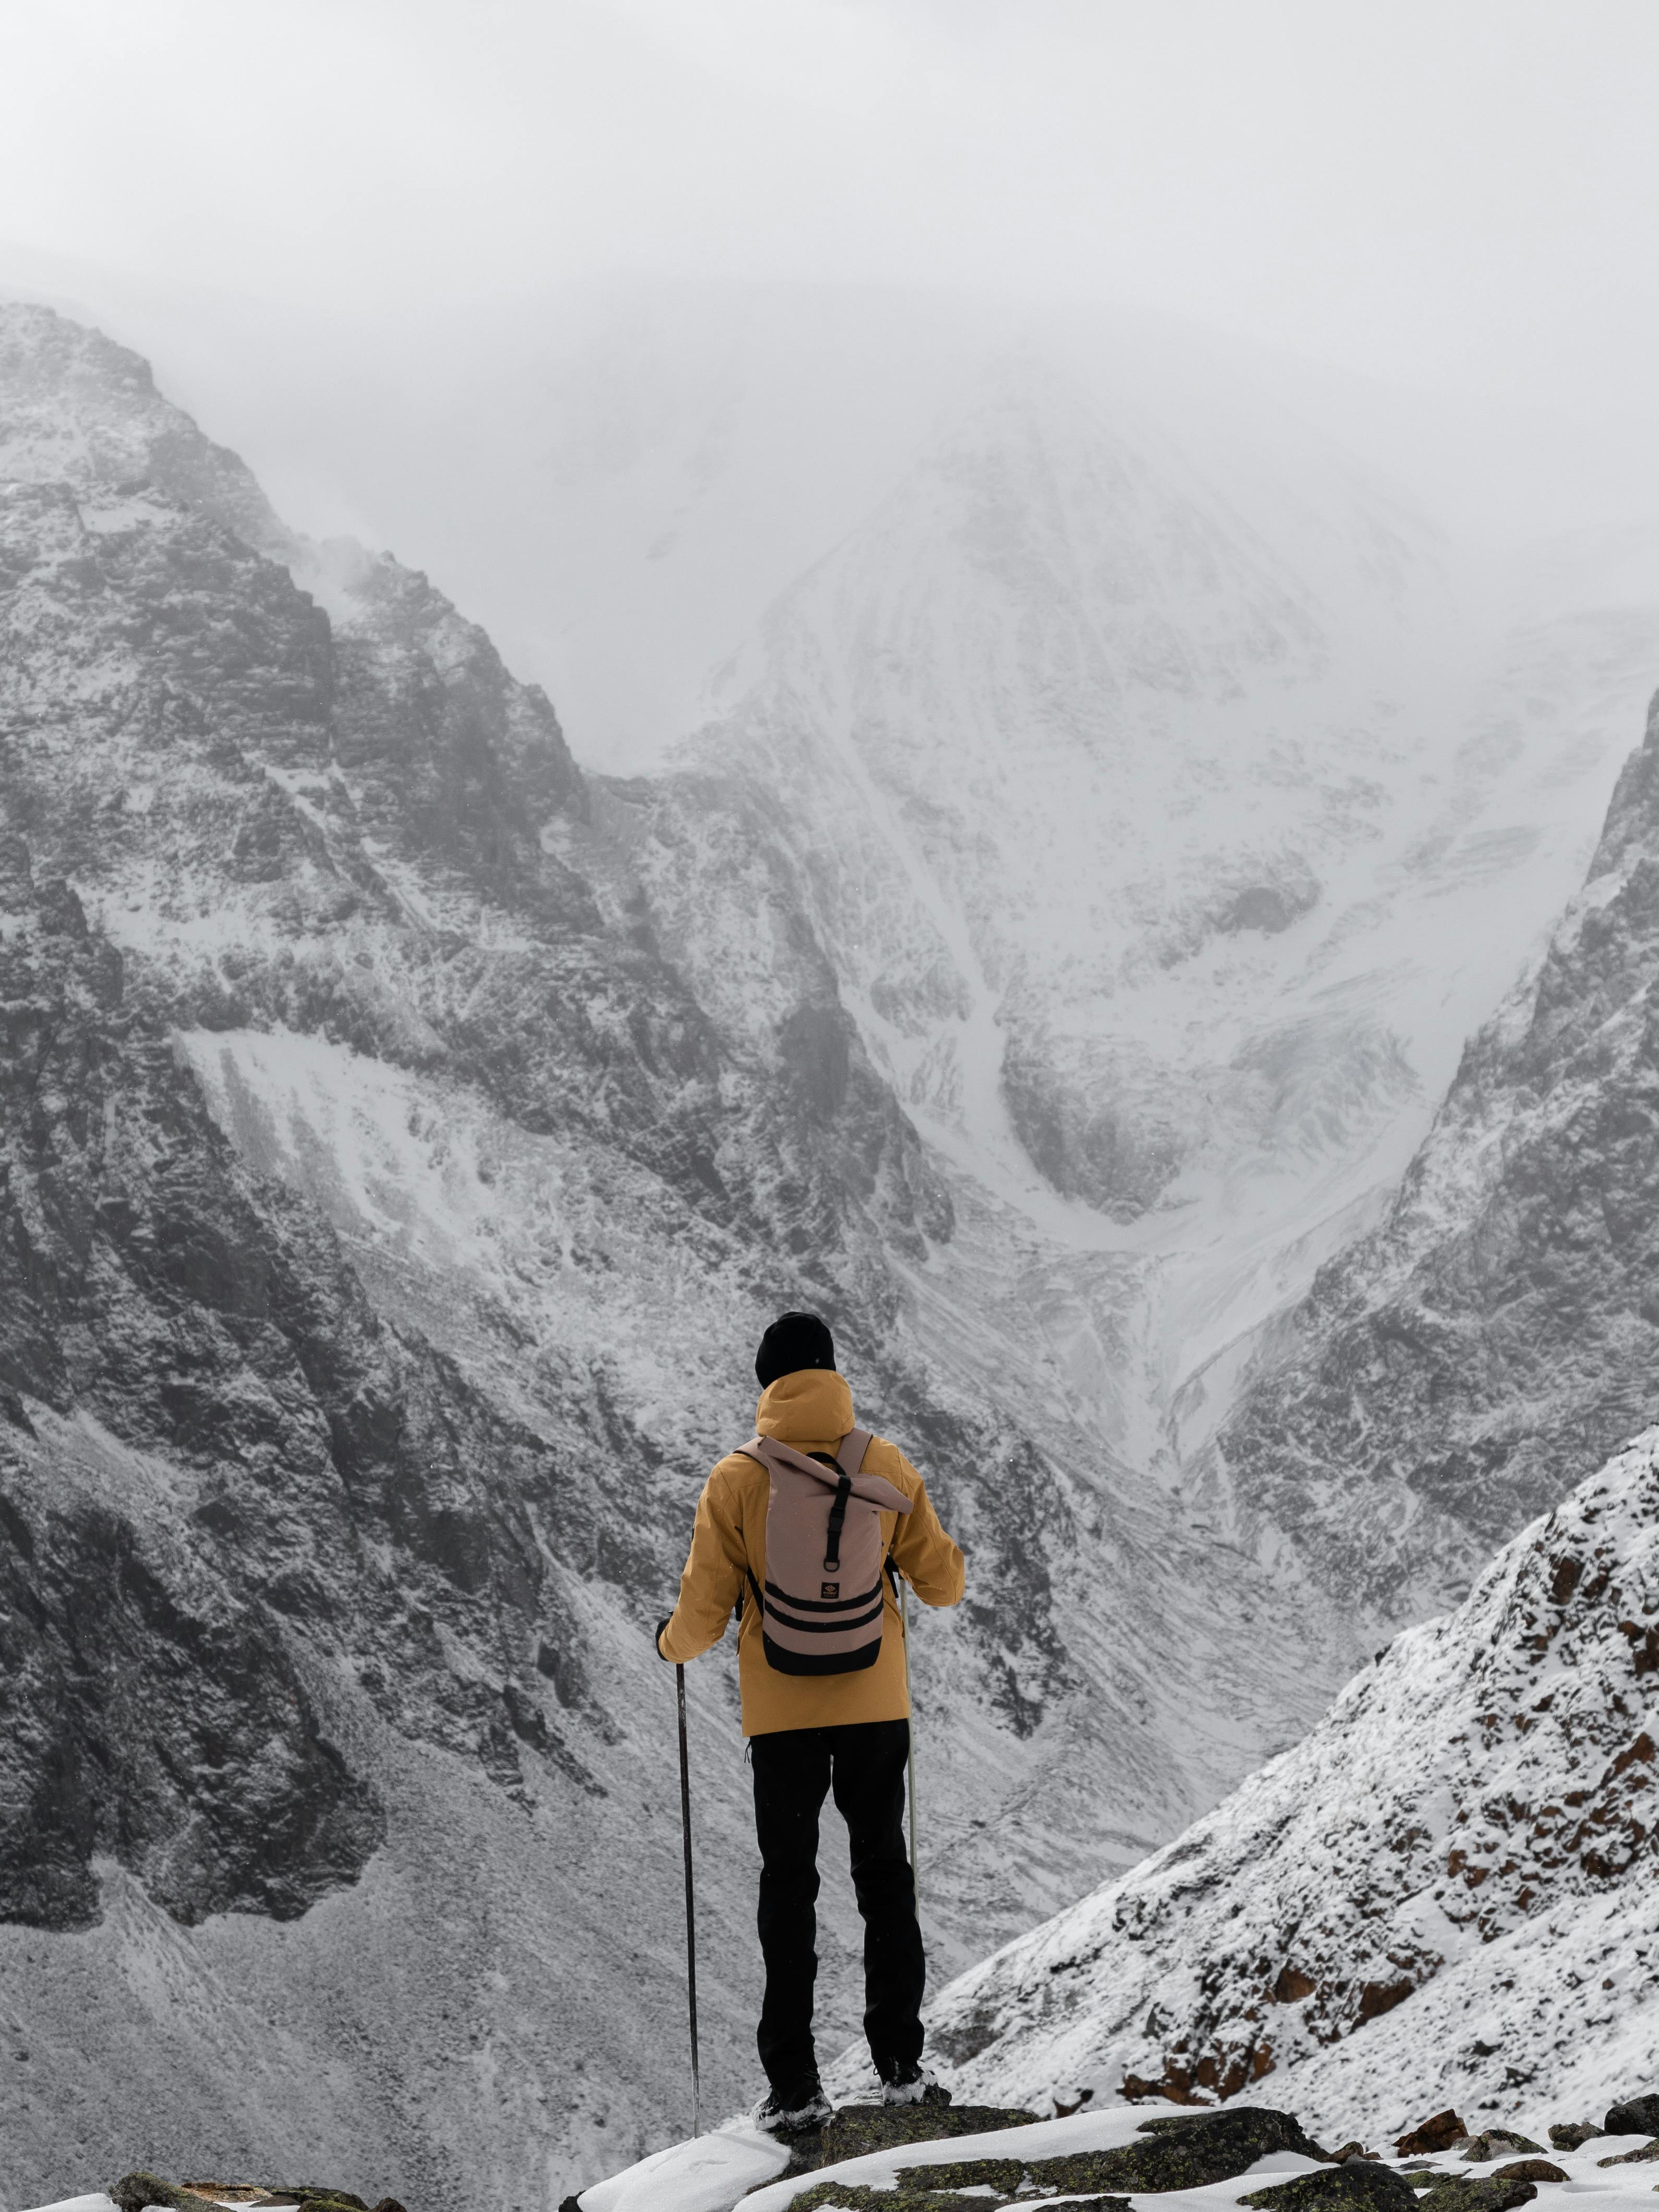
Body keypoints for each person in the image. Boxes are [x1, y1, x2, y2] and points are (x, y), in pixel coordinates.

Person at [656, 1310, 966, 2130]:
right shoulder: (886, 1463)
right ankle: (899, 2065)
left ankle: (794, 2088)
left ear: (769, 1386)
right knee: (884, 1878)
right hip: (875, 1706)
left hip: (782, 1715)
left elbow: (706, 1611)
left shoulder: (738, 1479)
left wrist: (668, 1643)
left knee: (788, 1888)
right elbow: (943, 1587)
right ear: (833, 1377)